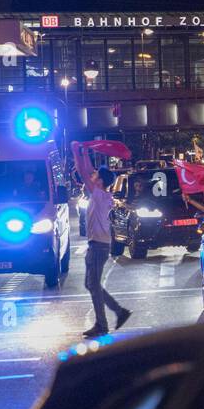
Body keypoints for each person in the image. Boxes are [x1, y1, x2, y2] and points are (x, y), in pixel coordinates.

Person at [71, 144, 132, 338]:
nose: (93, 177)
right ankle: (117, 313)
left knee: (93, 284)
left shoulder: (100, 196)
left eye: (96, 176)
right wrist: (85, 152)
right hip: (96, 245)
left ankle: (103, 323)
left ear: (101, 181)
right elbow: (87, 171)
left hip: (98, 247)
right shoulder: (101, 195)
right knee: (91, 284)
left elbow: (82, 172)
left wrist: (76, 152)